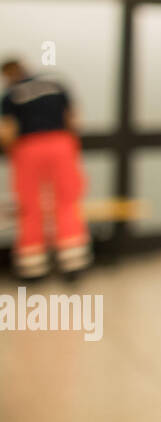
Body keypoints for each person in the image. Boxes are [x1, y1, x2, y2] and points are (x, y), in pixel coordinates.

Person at [1, 59, 92, 278]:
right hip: (61, 144)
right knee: (67, 200)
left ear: (9, 74)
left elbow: (7, 131)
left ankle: (33, 267)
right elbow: (73, 119)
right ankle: (73, 262)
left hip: (28, 147)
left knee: (30, 204)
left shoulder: (12, 94)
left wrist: (11, 152)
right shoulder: (55, 83)